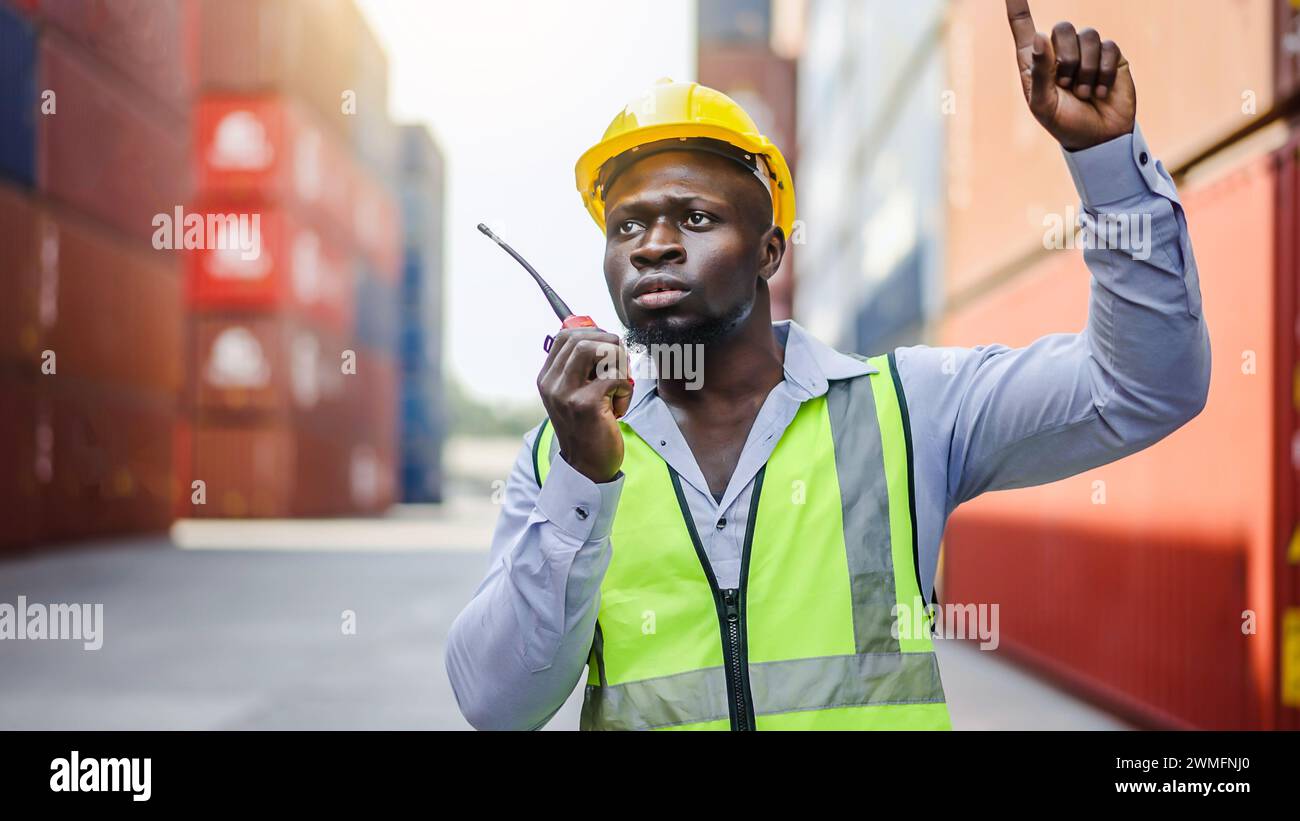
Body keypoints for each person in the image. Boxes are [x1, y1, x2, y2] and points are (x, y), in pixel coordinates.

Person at [446, 0, 1211, 730]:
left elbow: (1143, 387)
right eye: (628, 226)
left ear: (770, 253)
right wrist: (584, 482)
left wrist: (1108, 164)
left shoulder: (909, 409)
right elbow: (497, 702)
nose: (653, 244)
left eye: (696, 217)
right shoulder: (560, 460)